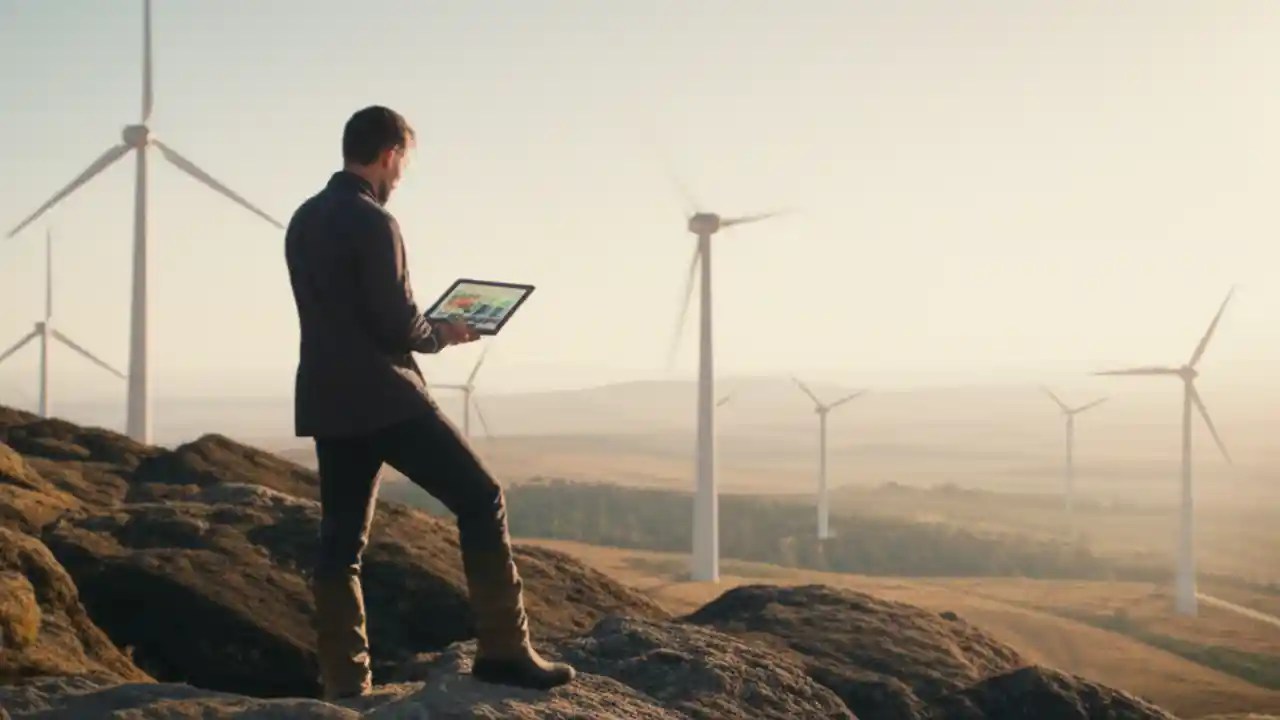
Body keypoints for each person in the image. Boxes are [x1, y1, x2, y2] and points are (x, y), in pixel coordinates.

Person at [283, 105, 575, 700]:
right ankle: (504, 652)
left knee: (341, 545)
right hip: (386, 397)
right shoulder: (375, 222)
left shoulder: (304, 218)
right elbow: (396, 324)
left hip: (327, 400)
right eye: (403, 164)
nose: (401, 178)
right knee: (481, 496)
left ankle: (344, 683)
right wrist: (444, 331)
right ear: (389, 154)